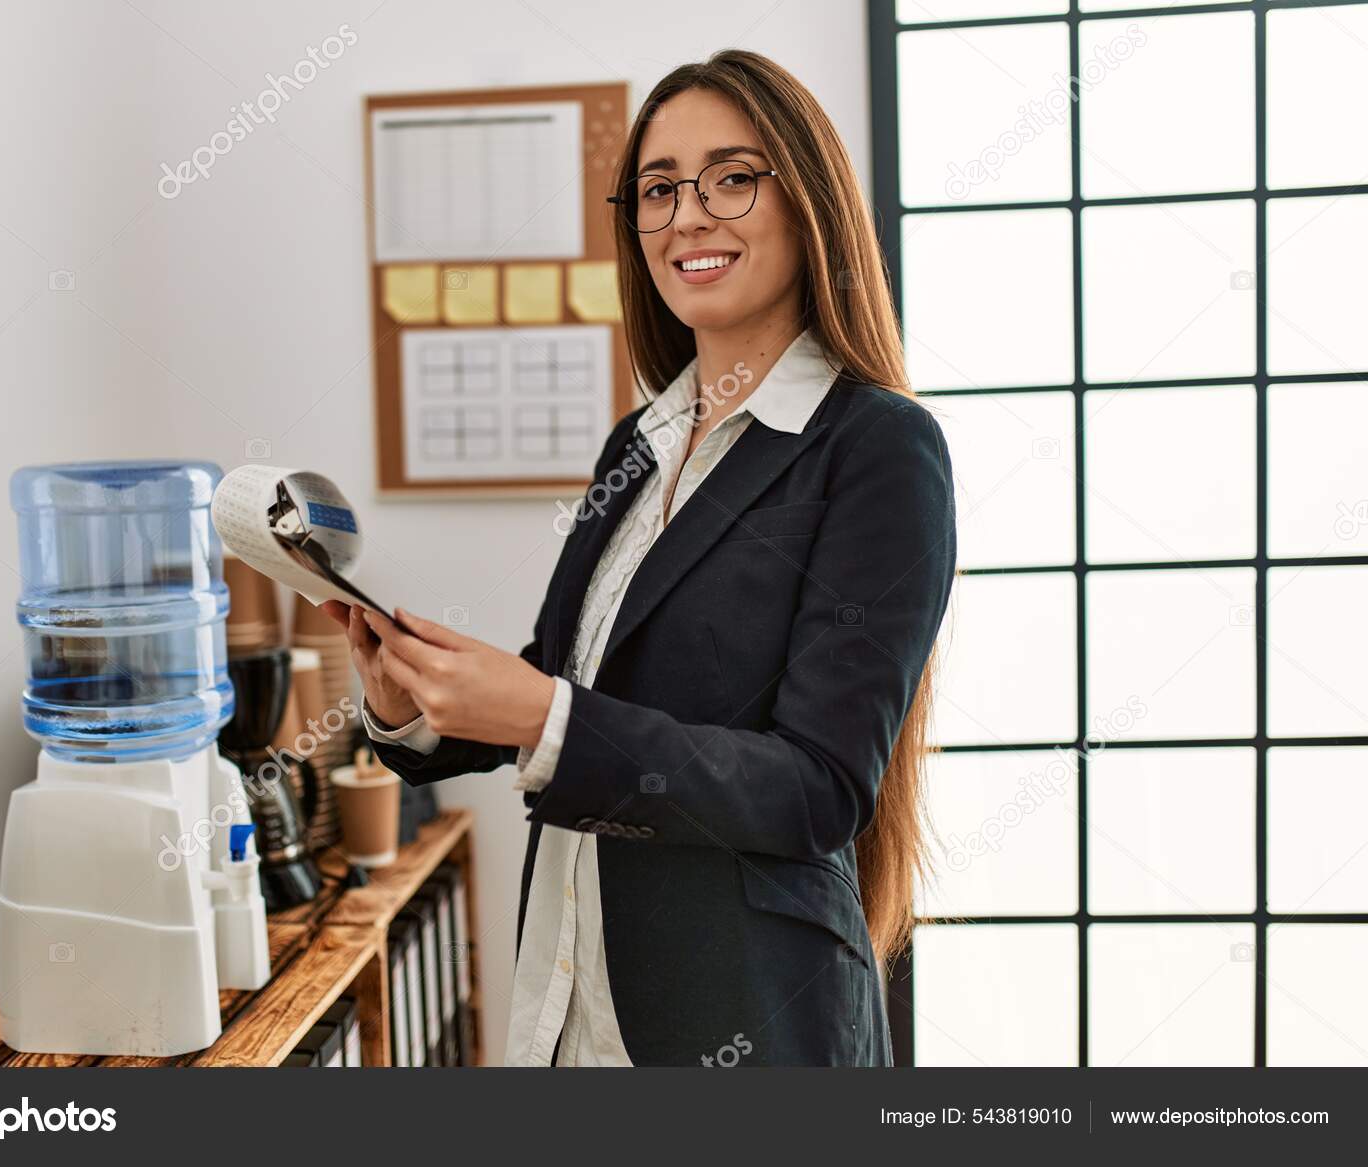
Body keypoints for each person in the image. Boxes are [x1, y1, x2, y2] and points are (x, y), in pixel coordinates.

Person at [323, 49, 957, 1066]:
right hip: (567, 998)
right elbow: (559, 683)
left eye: (731, 178)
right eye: (658, 189)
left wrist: (542, 717)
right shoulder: (639, 443)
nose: (687, 216)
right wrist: (406, 700)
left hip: (742, 1021)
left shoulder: (875, 446)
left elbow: (816, 789)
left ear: (809, 199)